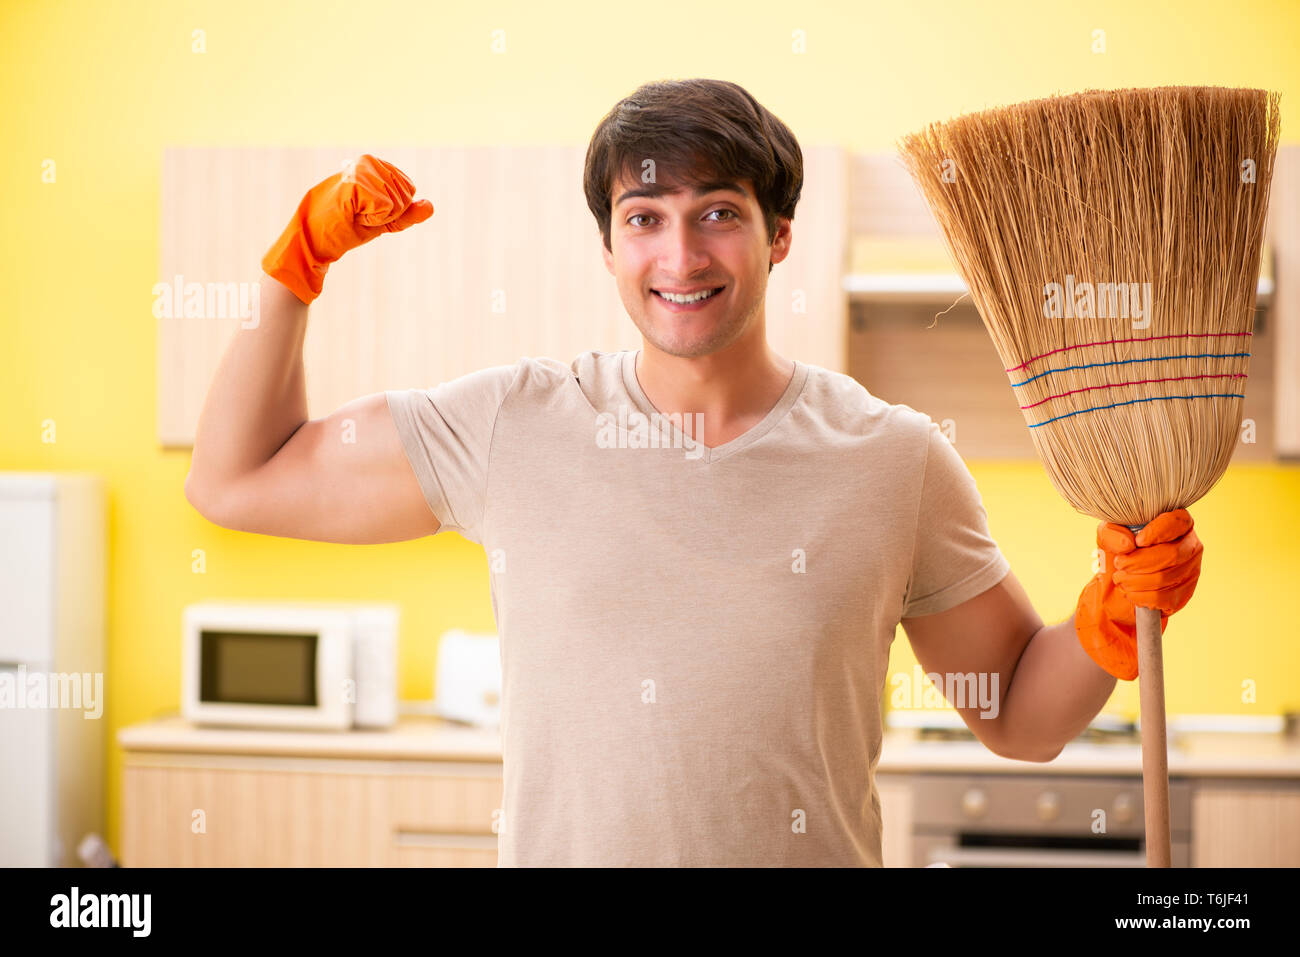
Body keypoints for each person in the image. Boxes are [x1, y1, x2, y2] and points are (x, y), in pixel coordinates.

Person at [184, 78, 1203, 866]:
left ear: (779, 236)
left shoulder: (894, 458)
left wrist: (1108, 619)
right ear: (608, 245)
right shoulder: (511, 425)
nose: (681, 253)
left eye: (718, 211)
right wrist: (292, 274)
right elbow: (236, 480)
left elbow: (1019, 717)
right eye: (644, 216)